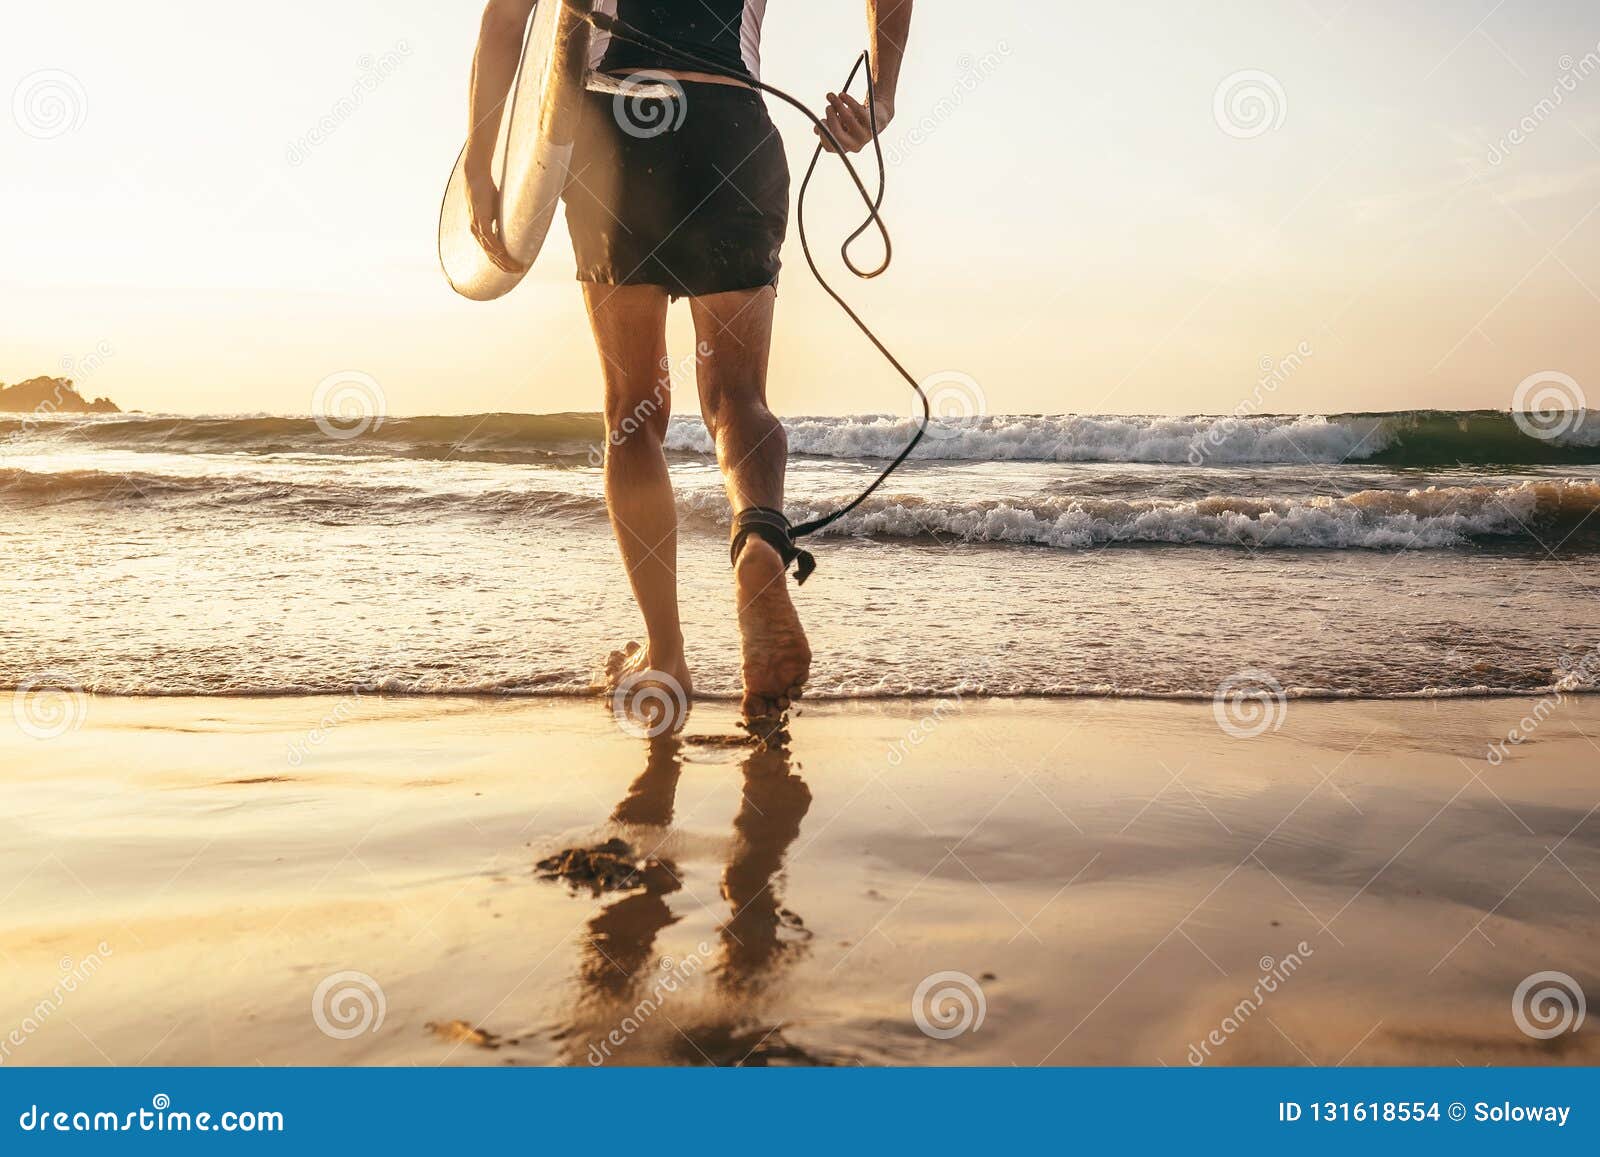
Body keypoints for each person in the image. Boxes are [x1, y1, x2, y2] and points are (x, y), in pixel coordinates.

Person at [464, 0, 913, 725]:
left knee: (633, 410)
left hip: (618, 137)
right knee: (738, 397)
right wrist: (880, 101)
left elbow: (505, 20)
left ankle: (666, 653)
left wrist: (484, 164)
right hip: (728, 128)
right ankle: (759, 540)